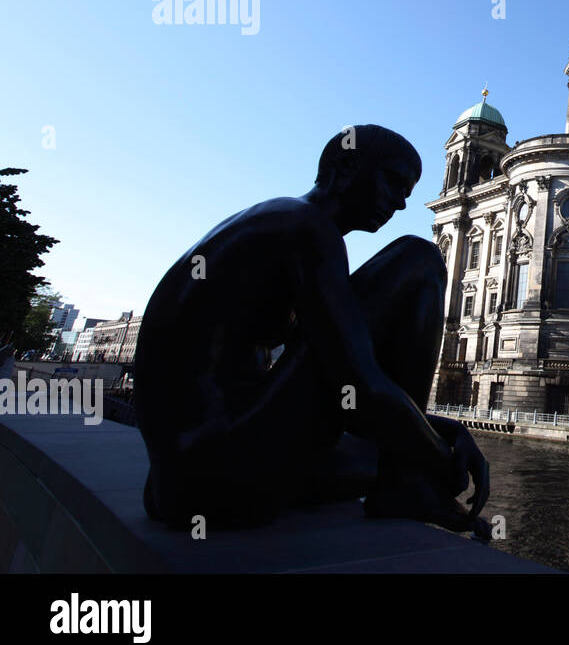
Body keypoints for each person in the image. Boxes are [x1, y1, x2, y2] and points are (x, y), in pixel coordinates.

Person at [135, 124, 489, 535]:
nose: (399, 204)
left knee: (374, 455)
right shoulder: (306, 229)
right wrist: (442, 460)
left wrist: (445, 429)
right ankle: (407, 486)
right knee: (421, 257)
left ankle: (402, 480)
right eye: (392, 182)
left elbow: (342, 388)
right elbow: (360, 389)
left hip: (176, 485)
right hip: (219, 475)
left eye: (407, 194)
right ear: (345, 165)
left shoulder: (279, 221)